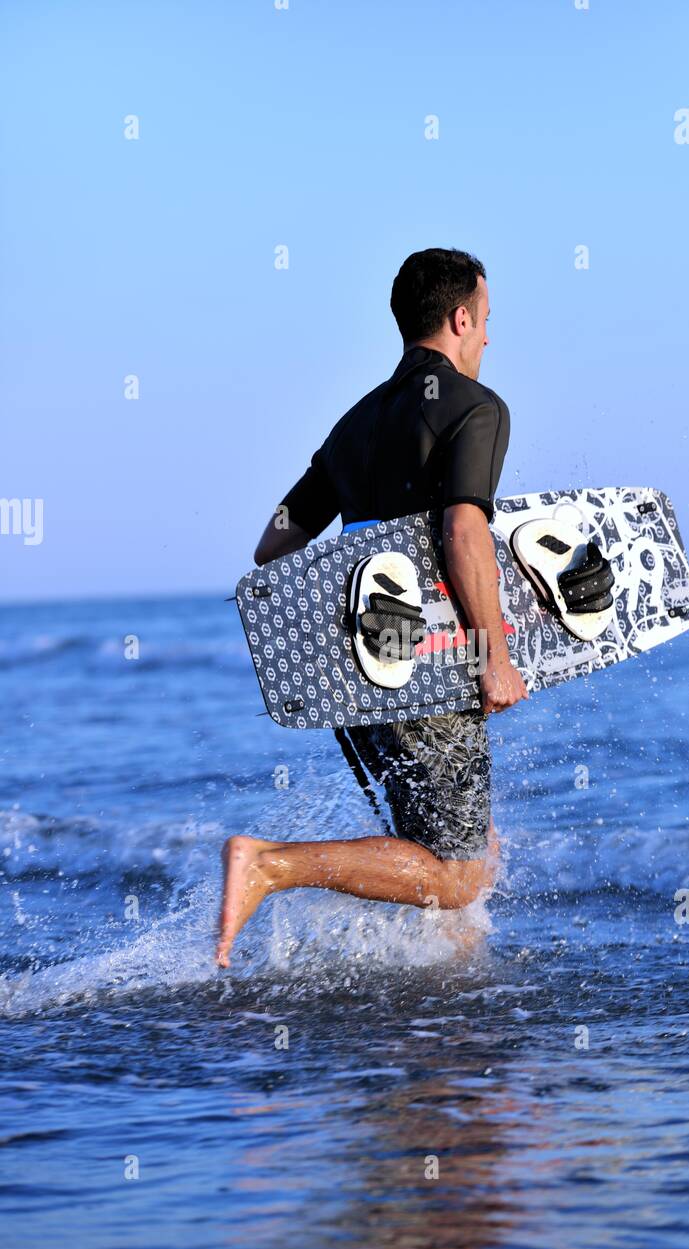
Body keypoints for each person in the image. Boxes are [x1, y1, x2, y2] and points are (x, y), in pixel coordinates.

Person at [216, 248, 528, 968]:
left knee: (458, 847)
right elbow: (463, 531)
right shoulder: (477, 409)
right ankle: (269, 865)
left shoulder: (353, 423)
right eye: (485, 322)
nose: (486, 337)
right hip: (428, 661)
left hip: (356, 669)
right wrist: (495, 657)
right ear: (460, 318)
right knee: (461, 874)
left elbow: (277, 542)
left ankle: (448, 1010)